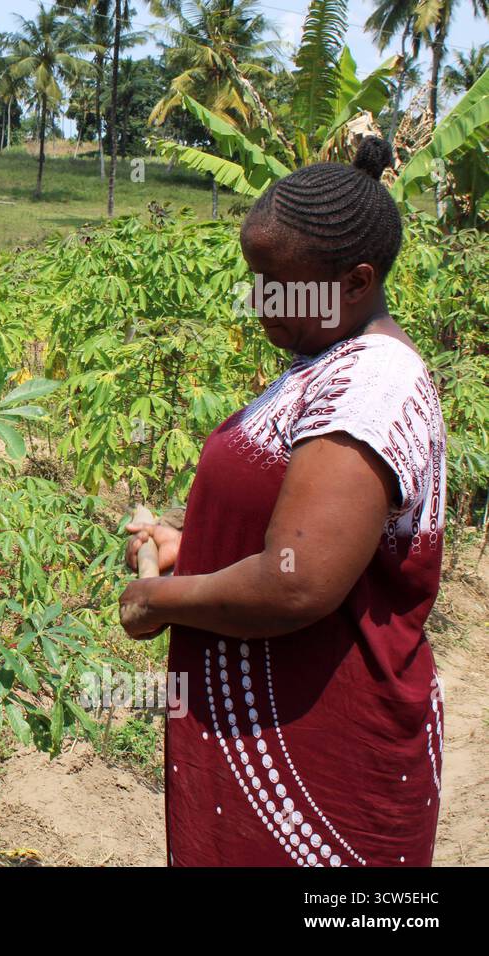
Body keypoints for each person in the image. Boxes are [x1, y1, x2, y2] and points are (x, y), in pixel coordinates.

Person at [119, 137, 447, 867]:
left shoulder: (371, 385)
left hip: (320, 747)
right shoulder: (322, 362)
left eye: (275, 283)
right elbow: (299, 527)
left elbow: (296, 582)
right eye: (253, 277)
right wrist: (190, 544)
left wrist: (160, 598)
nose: (256, 298)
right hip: (266, 733)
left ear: (357, 280)